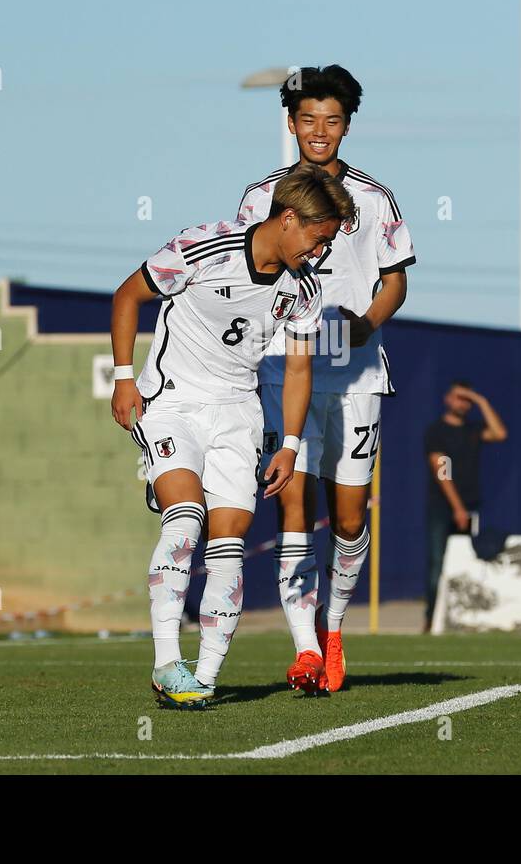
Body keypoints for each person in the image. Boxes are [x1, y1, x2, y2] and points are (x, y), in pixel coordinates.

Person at [111, 164, 348, 709]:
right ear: (289, 219)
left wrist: (289, 444)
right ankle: (167, 662)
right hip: (173, 401)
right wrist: (124, 379)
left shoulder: (303, 289)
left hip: (238, 413)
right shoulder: (204, 246)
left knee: (229, 545)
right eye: (318, 237)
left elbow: (298, 368)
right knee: (185, 520)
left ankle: (206, 678)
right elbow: (127, 296)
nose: (321, 252)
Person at [236, 65, 416, 693]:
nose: (319, 131)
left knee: (348, 516)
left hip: (356, 372)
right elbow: (244, 279)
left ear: (347, 125)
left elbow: (395, 279)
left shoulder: (375, 199)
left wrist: (366, 323)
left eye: (331, 120)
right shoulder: (260, 197)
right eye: (307, 119)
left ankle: (334, 628)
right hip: (283, 370)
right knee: (293, 503)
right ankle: (306, 649)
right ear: (291, 124)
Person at [423, 381, 507, 628]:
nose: (463, 403)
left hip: (471, 506)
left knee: (470, 560)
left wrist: (480, 399)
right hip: (443, 507)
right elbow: (442, 470)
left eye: (466, 399)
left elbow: (500, 433)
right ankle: (432, 618)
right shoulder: (436, 431)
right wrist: (457, 507)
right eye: (459, 397)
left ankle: (465, 616)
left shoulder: (472, 429)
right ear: (447, 399)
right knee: (438, 562)